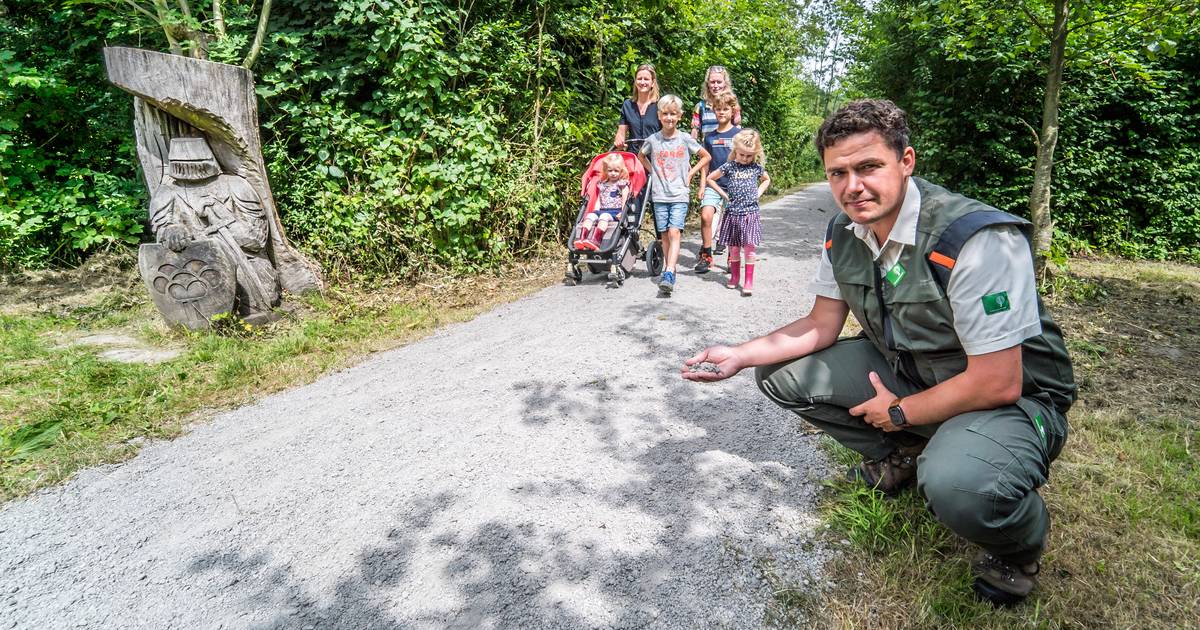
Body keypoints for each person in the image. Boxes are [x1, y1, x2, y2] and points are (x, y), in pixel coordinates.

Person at [680, 99, 1076, 607]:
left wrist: (898, 411)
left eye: (869, 166)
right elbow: (822, 324)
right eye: (838, 172)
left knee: (957, 483)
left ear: (906, 161)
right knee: (778, 372)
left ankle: (1017, 545)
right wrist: (740, 352)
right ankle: (906, 453)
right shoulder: (843, 232)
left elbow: (999, 381)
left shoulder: (976, 239)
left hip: (1012, 400)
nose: (853, 186)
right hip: (913, 373)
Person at [639, 94, 711, 296]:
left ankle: (669, 271)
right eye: (665, 114)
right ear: (659, 116)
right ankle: (670, 266)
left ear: (679, 116)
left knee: (674, 232)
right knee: (664, 235)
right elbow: (641, 155)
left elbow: (706, 157)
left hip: (679, 194)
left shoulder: (685, 139)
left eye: (673, 114)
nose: (669, 118)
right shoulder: (653, 140)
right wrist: (652, 171)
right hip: (659, 194)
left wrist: (690, 173)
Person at [705, 129, 769, 296]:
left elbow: (767, 179)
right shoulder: (729, 166)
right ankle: (734, 277)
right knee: (733, 248)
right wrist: (723, 194)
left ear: (754, 154)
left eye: (749, 156)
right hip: (733, 213)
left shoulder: (756, 168)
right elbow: (710, 178)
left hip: (750, 214)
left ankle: (748, 281)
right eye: (742, 155)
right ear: (735, 151)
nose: (745, 159)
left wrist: (758, 192)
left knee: (749, 248)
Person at [695, 92, 741, 274]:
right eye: (718, 109)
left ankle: (733, 256)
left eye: (725, 109)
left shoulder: (739, 135)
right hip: (713, 185)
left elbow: (745, 161)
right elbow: (705, 163)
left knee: (734, 222)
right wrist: (701, 186)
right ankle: (706, 255)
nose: (721, 112)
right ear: (713, 111)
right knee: (706, 216)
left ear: (732, 111)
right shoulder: (709, 137)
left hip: (734, 186)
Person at [573, 153, 630, 251]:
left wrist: (622, 211)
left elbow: (625, 199)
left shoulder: (622, 184)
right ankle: (582, 239)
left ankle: (596, 240)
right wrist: (595, 211)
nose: (613, 173)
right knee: (589, 216)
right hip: (602, 210)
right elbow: (599, 199)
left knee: (604, 217)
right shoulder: (602, 184)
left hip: (615, 212)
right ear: (605, 171)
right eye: (610, 170)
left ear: (621, 171)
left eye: (616, 171)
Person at [613, 64, 661, 154]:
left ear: (653, 82)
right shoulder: (627, 105)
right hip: (633, 159)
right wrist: (619, 140)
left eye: (646, 79)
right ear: (635, 81)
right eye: (639, 79)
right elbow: (621, 133)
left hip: (655, 158)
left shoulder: (661, 105)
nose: (642, 82)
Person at [690, 65, 743, 143]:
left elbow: (738, 128)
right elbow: (694, 132)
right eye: (712, 82)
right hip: (707, 152)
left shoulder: (733, 105)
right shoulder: (700, 107)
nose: (715, 86)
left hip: (728, 152)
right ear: (708, 84)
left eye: (719, 82)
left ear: (725, 83)